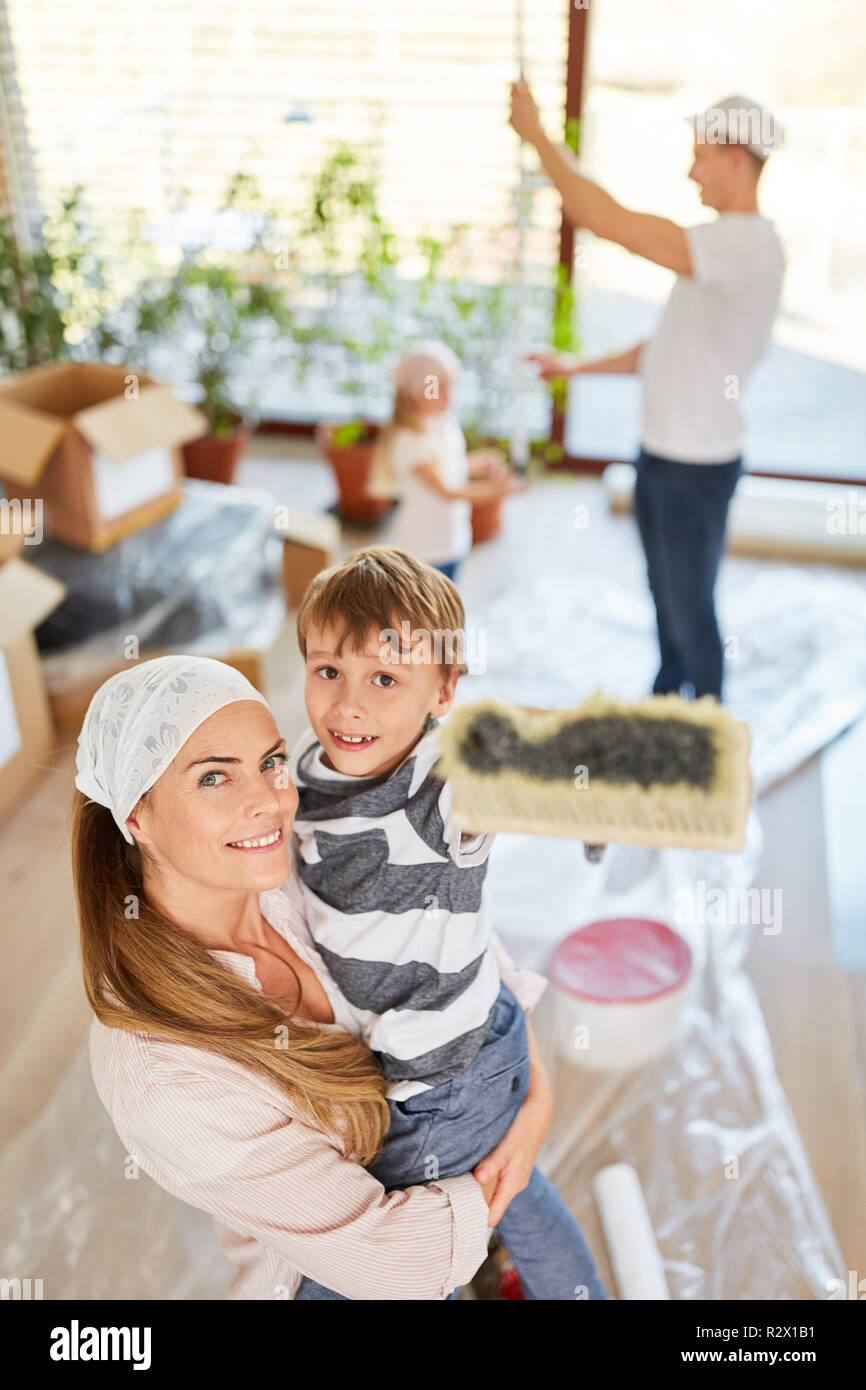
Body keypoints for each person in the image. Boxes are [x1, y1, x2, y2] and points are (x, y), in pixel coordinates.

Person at [74, 655, 561, 1300]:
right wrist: (514, 1149)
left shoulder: (302, 850)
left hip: (447, 1146)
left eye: (272, 761)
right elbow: (391, 1264)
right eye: (215, 777)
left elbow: (447, 939)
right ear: (135, 817)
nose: (268, 803)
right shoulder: (158, 1074)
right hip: (340, 1272)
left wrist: (532, 1095)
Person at [288, 545, 607, 1300]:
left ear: (443, 693)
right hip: (459, 1032)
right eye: (329, 670)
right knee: (507, 1187)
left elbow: (517, 769)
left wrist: (592, 792)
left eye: (386, 680)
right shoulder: (313, 767)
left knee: (388, 1240)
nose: (349, 705)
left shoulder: (441, 789)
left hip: (441, 1071)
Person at [510, 86, 786, 701]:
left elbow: (606, 221)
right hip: (662, 455)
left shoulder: (743, 246)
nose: (691, 173)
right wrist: (575, 370)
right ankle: (667, 697)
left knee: (691, 608)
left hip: (696, 468)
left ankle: (710, 731)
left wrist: (537, 138)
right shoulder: (716, 251)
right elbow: (662, 350)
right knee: (666, 596)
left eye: (701, 156)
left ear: (737, 158)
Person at [367, 340, 519, 582]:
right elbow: (445, 490)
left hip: (453, 539)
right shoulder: (408, 440)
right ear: (416, 391)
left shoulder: (442, 422)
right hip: (426, 550)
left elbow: (449, 465)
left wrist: (479, 462)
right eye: (441, 389)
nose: (450, 396)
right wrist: (496, 490)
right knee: (429, 616)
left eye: (451, 387)